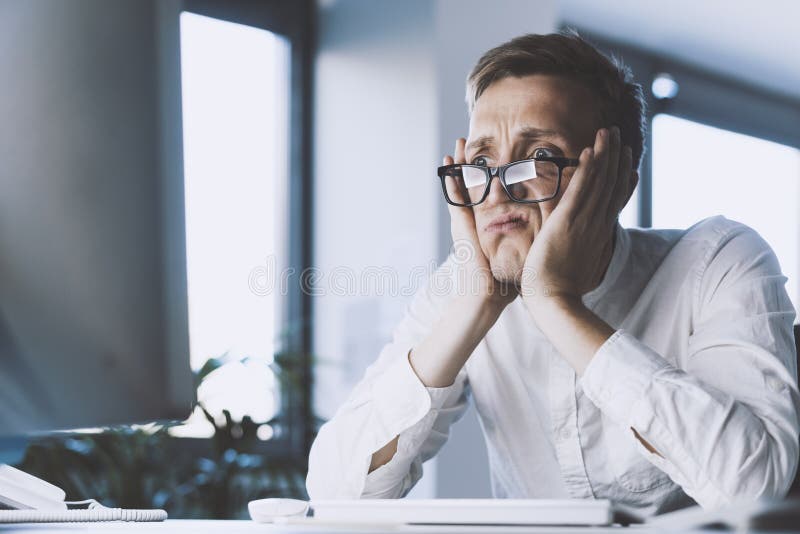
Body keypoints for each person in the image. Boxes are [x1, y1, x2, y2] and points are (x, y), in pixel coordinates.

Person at [305, 32, 800, 515]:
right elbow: (332, 495)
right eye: (481, 161)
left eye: (538, 156)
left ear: (619, 180)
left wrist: (554, 302)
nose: (498, 192)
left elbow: (756, 491)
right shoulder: (464, 286)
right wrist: (474, 309)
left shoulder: (719, 260)